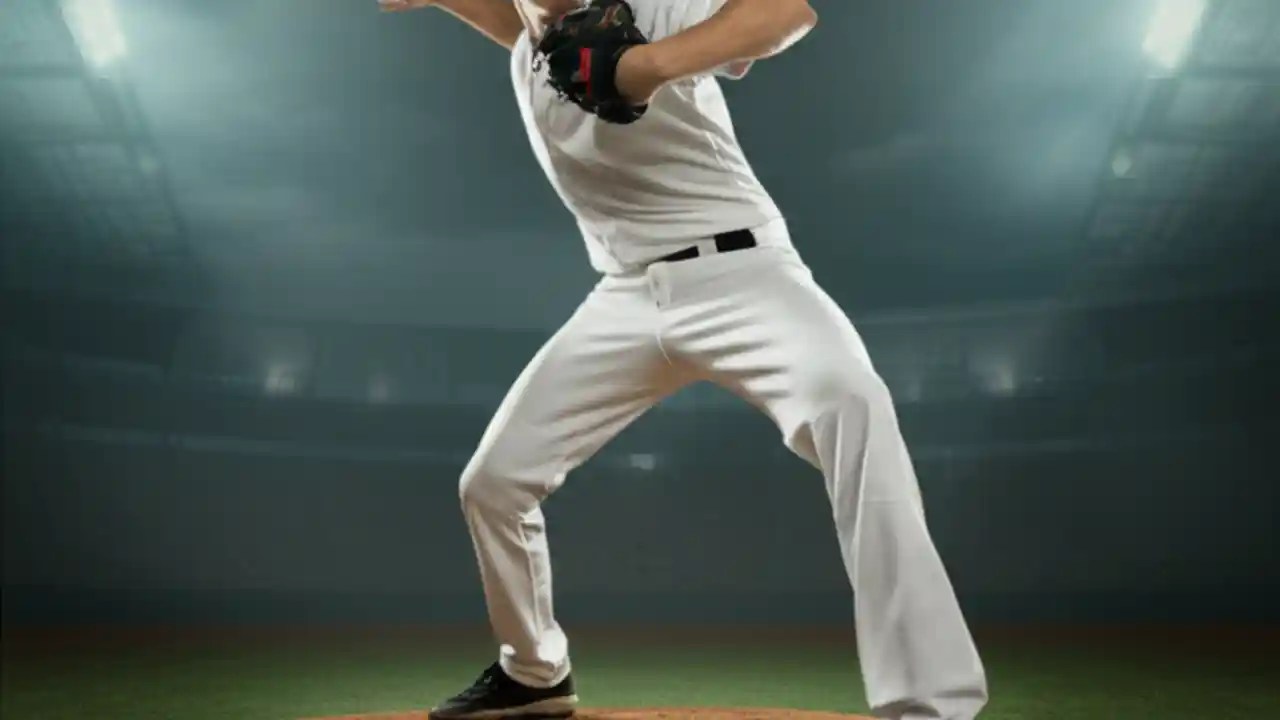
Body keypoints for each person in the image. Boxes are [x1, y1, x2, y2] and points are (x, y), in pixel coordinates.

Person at [376, 1, 988, 718]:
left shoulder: (652, 6)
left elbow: (787, 12)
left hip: (746, 274)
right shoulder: (530, 48)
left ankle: (929, 703)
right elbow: (521, 25)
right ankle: (535, 672)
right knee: (494, 482)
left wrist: (649, 67)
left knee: (856, 410)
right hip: (626, 297)